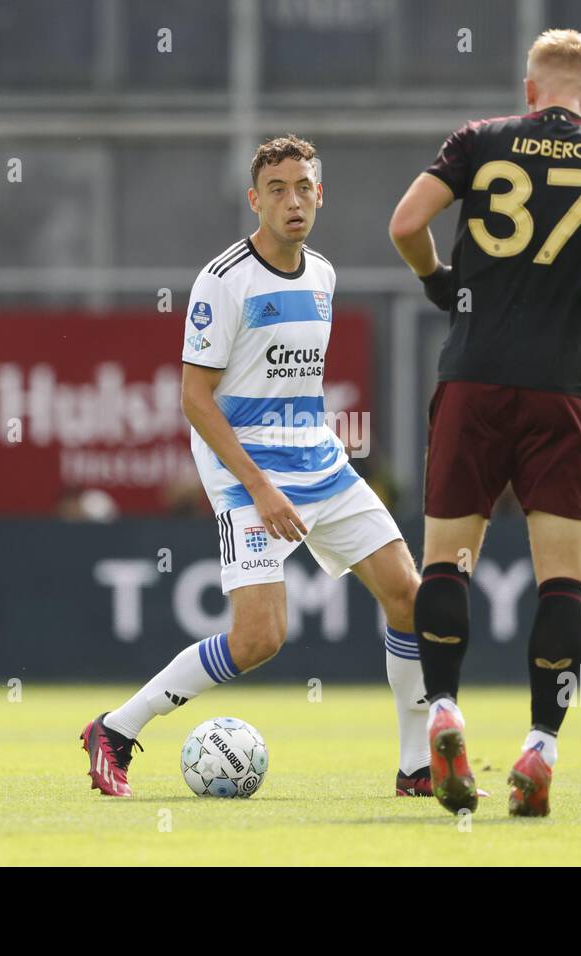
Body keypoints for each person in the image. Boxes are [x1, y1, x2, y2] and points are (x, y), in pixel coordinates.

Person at [82, 135, 431, 799]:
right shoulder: (224, 280)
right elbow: (194, 398)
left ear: (319, 195)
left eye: (304, 187)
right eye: (277, 189)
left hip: (316, 456)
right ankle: (117, 729)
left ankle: (415, 768)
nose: (293, 200)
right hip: (244, 466)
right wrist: (258, 485)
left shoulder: (324, 275)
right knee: (261, 637)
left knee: (409, 596)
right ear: (255, 200)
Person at [389, 28, 581, 816]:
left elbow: (406, 223)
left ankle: (442, 709)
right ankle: (540, 747)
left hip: (473, 377)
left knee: (445, 561)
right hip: (562, 386)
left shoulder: (480, 141)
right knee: (562, 580)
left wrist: (440, 282)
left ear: (529, 90)